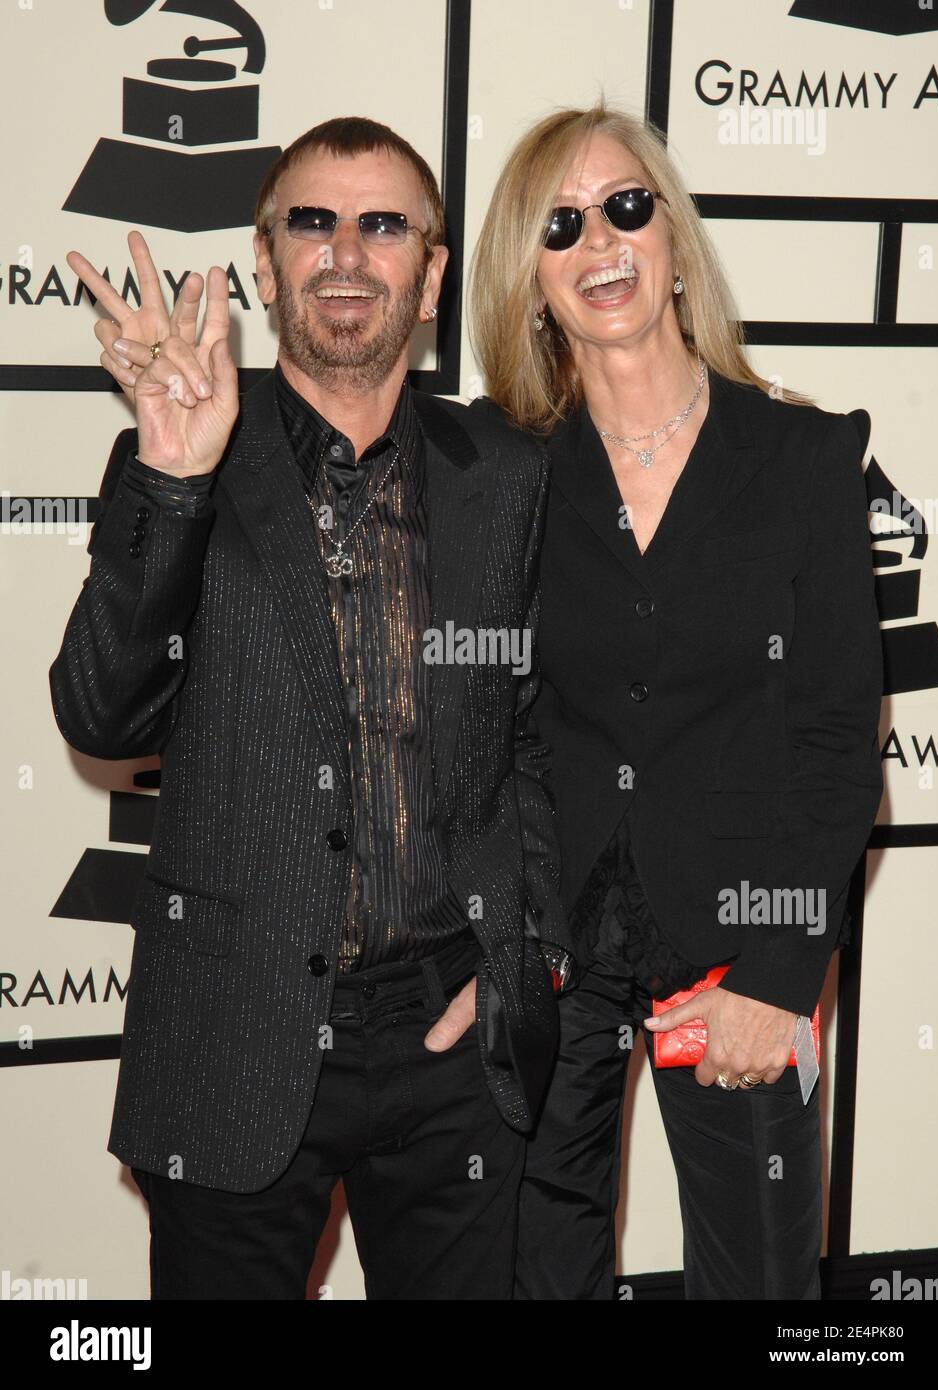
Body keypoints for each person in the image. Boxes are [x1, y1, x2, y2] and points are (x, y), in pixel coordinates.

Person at [50, 116, 575, 1300]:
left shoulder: (505, 476)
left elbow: (535, 736)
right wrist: (173, 482)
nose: (348, 253)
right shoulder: (185, 454)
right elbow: (102, 713)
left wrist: (518, 953)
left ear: (432, 272)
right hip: (234, 1029)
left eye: (385, 225)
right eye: (314, 222)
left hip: (452, 1044)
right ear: (266, 257)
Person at [468, 101, 884, 1299]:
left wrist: (782, 971)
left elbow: (836, 739)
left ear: (673, 238)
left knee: (759, 1282)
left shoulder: (802, 461)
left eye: (625, 205)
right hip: (552, 950)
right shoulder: (505, 469)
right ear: (531, 278)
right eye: (560, 224)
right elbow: (481, 725)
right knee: (536, 1275)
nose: (599, 240)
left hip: (738, 947)